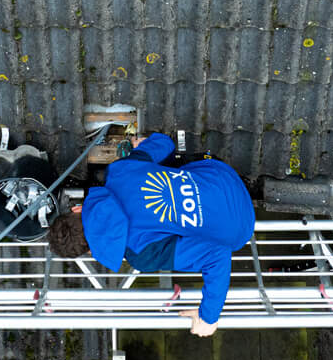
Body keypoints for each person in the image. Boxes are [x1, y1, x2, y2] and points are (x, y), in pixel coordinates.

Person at [47, 133, 255, 336]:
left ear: (90, 250)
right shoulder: (118, 172)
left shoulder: (142, 254)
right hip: (221, 175)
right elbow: (164, 143)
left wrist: (208, 317)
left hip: (241, 224)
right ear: (77, 209)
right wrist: (142, 145)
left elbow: (217, 256)